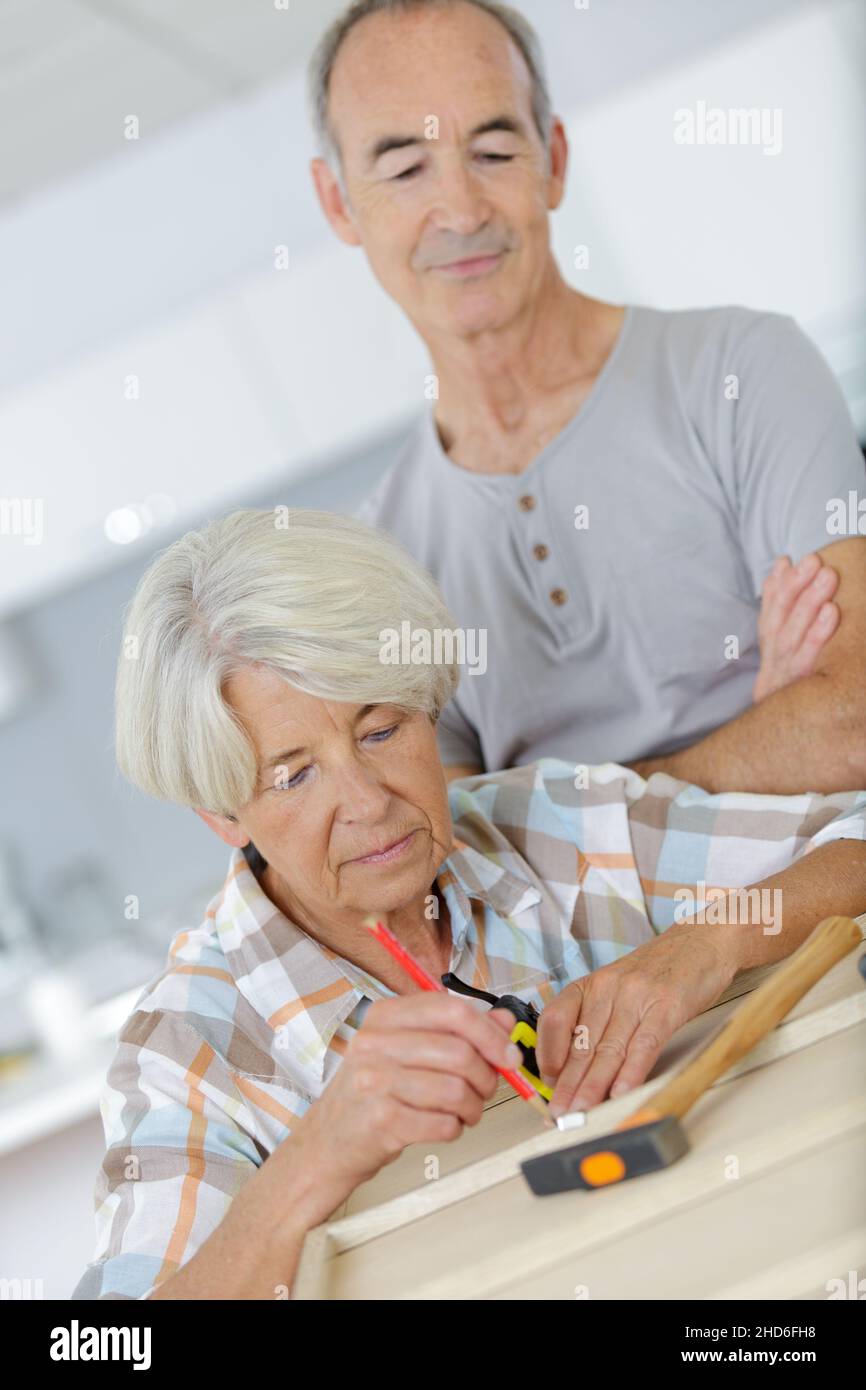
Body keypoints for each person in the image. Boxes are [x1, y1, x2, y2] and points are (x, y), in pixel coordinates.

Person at [72, 509, 865, 1299]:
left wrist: (705, 943)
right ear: (221, 814)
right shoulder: (187, 1050)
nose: (367, 801)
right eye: (294, 775)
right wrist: (315, 1162)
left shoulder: (556, 828)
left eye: (381, 730)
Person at [307, 0, 866, 793]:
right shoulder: (380, 569)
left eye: (495, 151)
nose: (462, 211)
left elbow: (850, 724)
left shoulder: (744, 371)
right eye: (404, 170)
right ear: (339, 204)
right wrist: (762, 744)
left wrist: (539, 806)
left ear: (554, 160)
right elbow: (462, 865)